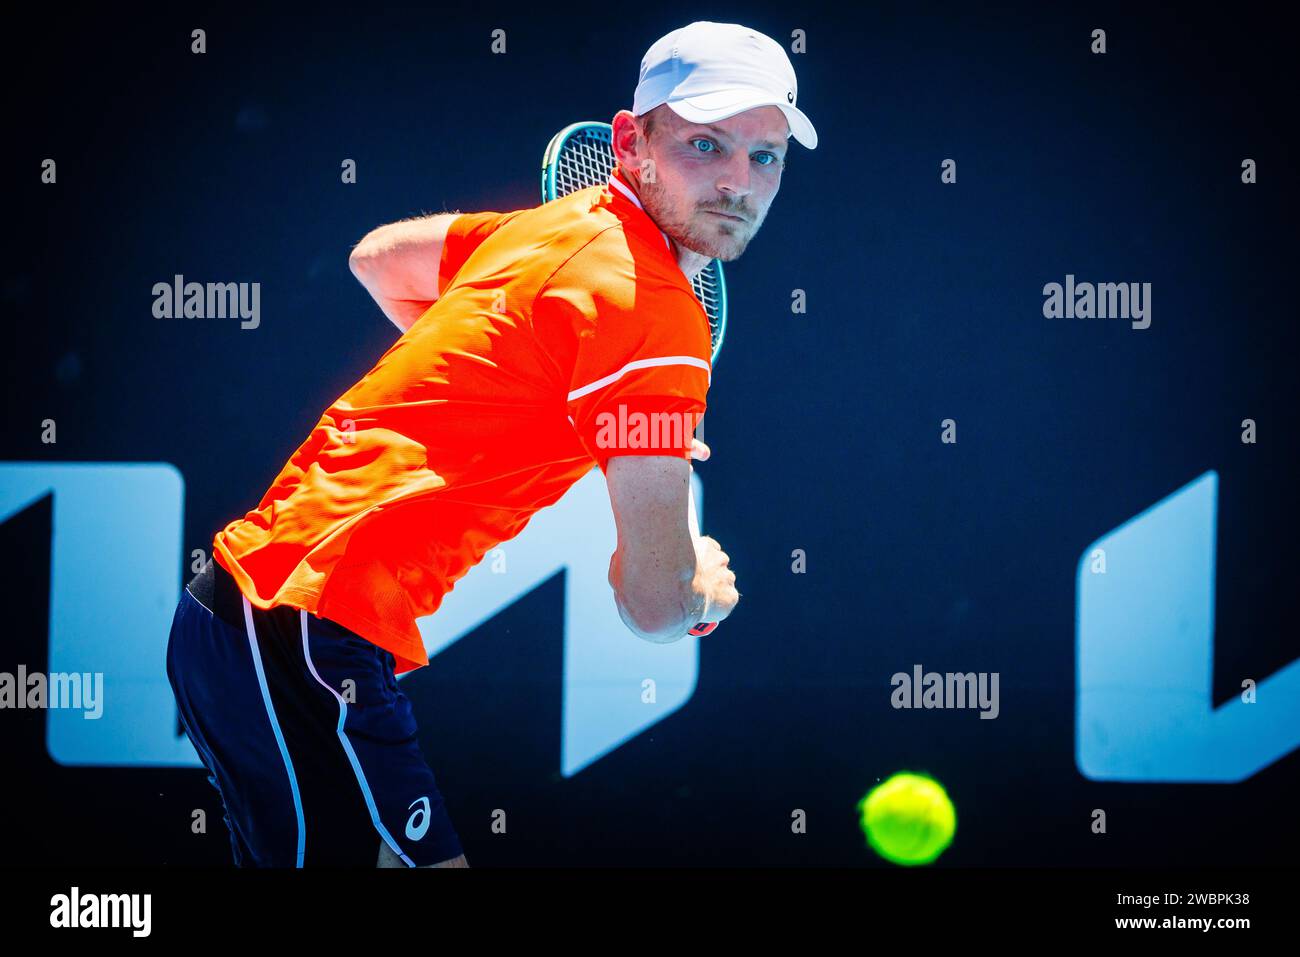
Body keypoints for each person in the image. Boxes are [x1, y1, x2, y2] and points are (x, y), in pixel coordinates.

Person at [165, 20, 817, 868]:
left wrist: (521, 403)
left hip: (255, 621)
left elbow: (378, 261)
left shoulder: (555, 228)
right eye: (705, 144)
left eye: (765, 156)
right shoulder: (657, 319)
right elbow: (654, 602)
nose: (738, 183)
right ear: (632, 141)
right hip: (302, 630)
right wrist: (699, 594)